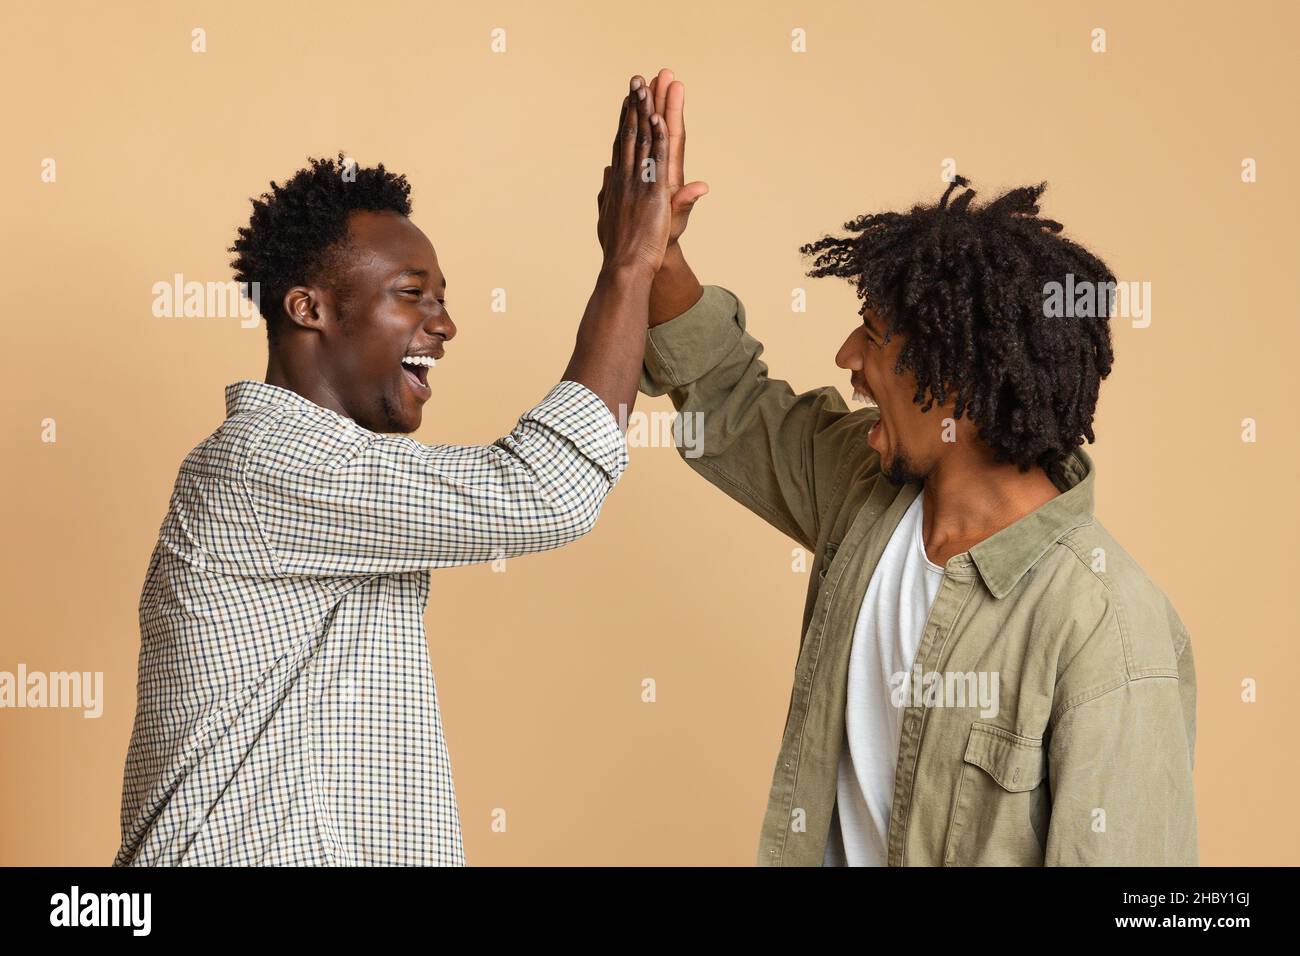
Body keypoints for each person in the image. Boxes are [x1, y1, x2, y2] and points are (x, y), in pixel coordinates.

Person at [114, 74, 672, 866]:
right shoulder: (264, 463)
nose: (444, 326)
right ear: (308, 310)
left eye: (441, 299)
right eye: (412, 295)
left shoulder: (347, 476)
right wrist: (629, 267)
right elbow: (547, 491)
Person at [640, 72, 1196, 866]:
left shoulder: (1104, 623)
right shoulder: (864, 495)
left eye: (872, 333)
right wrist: (657, 253)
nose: (847, 360)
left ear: (956, 381)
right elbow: (727, 394)